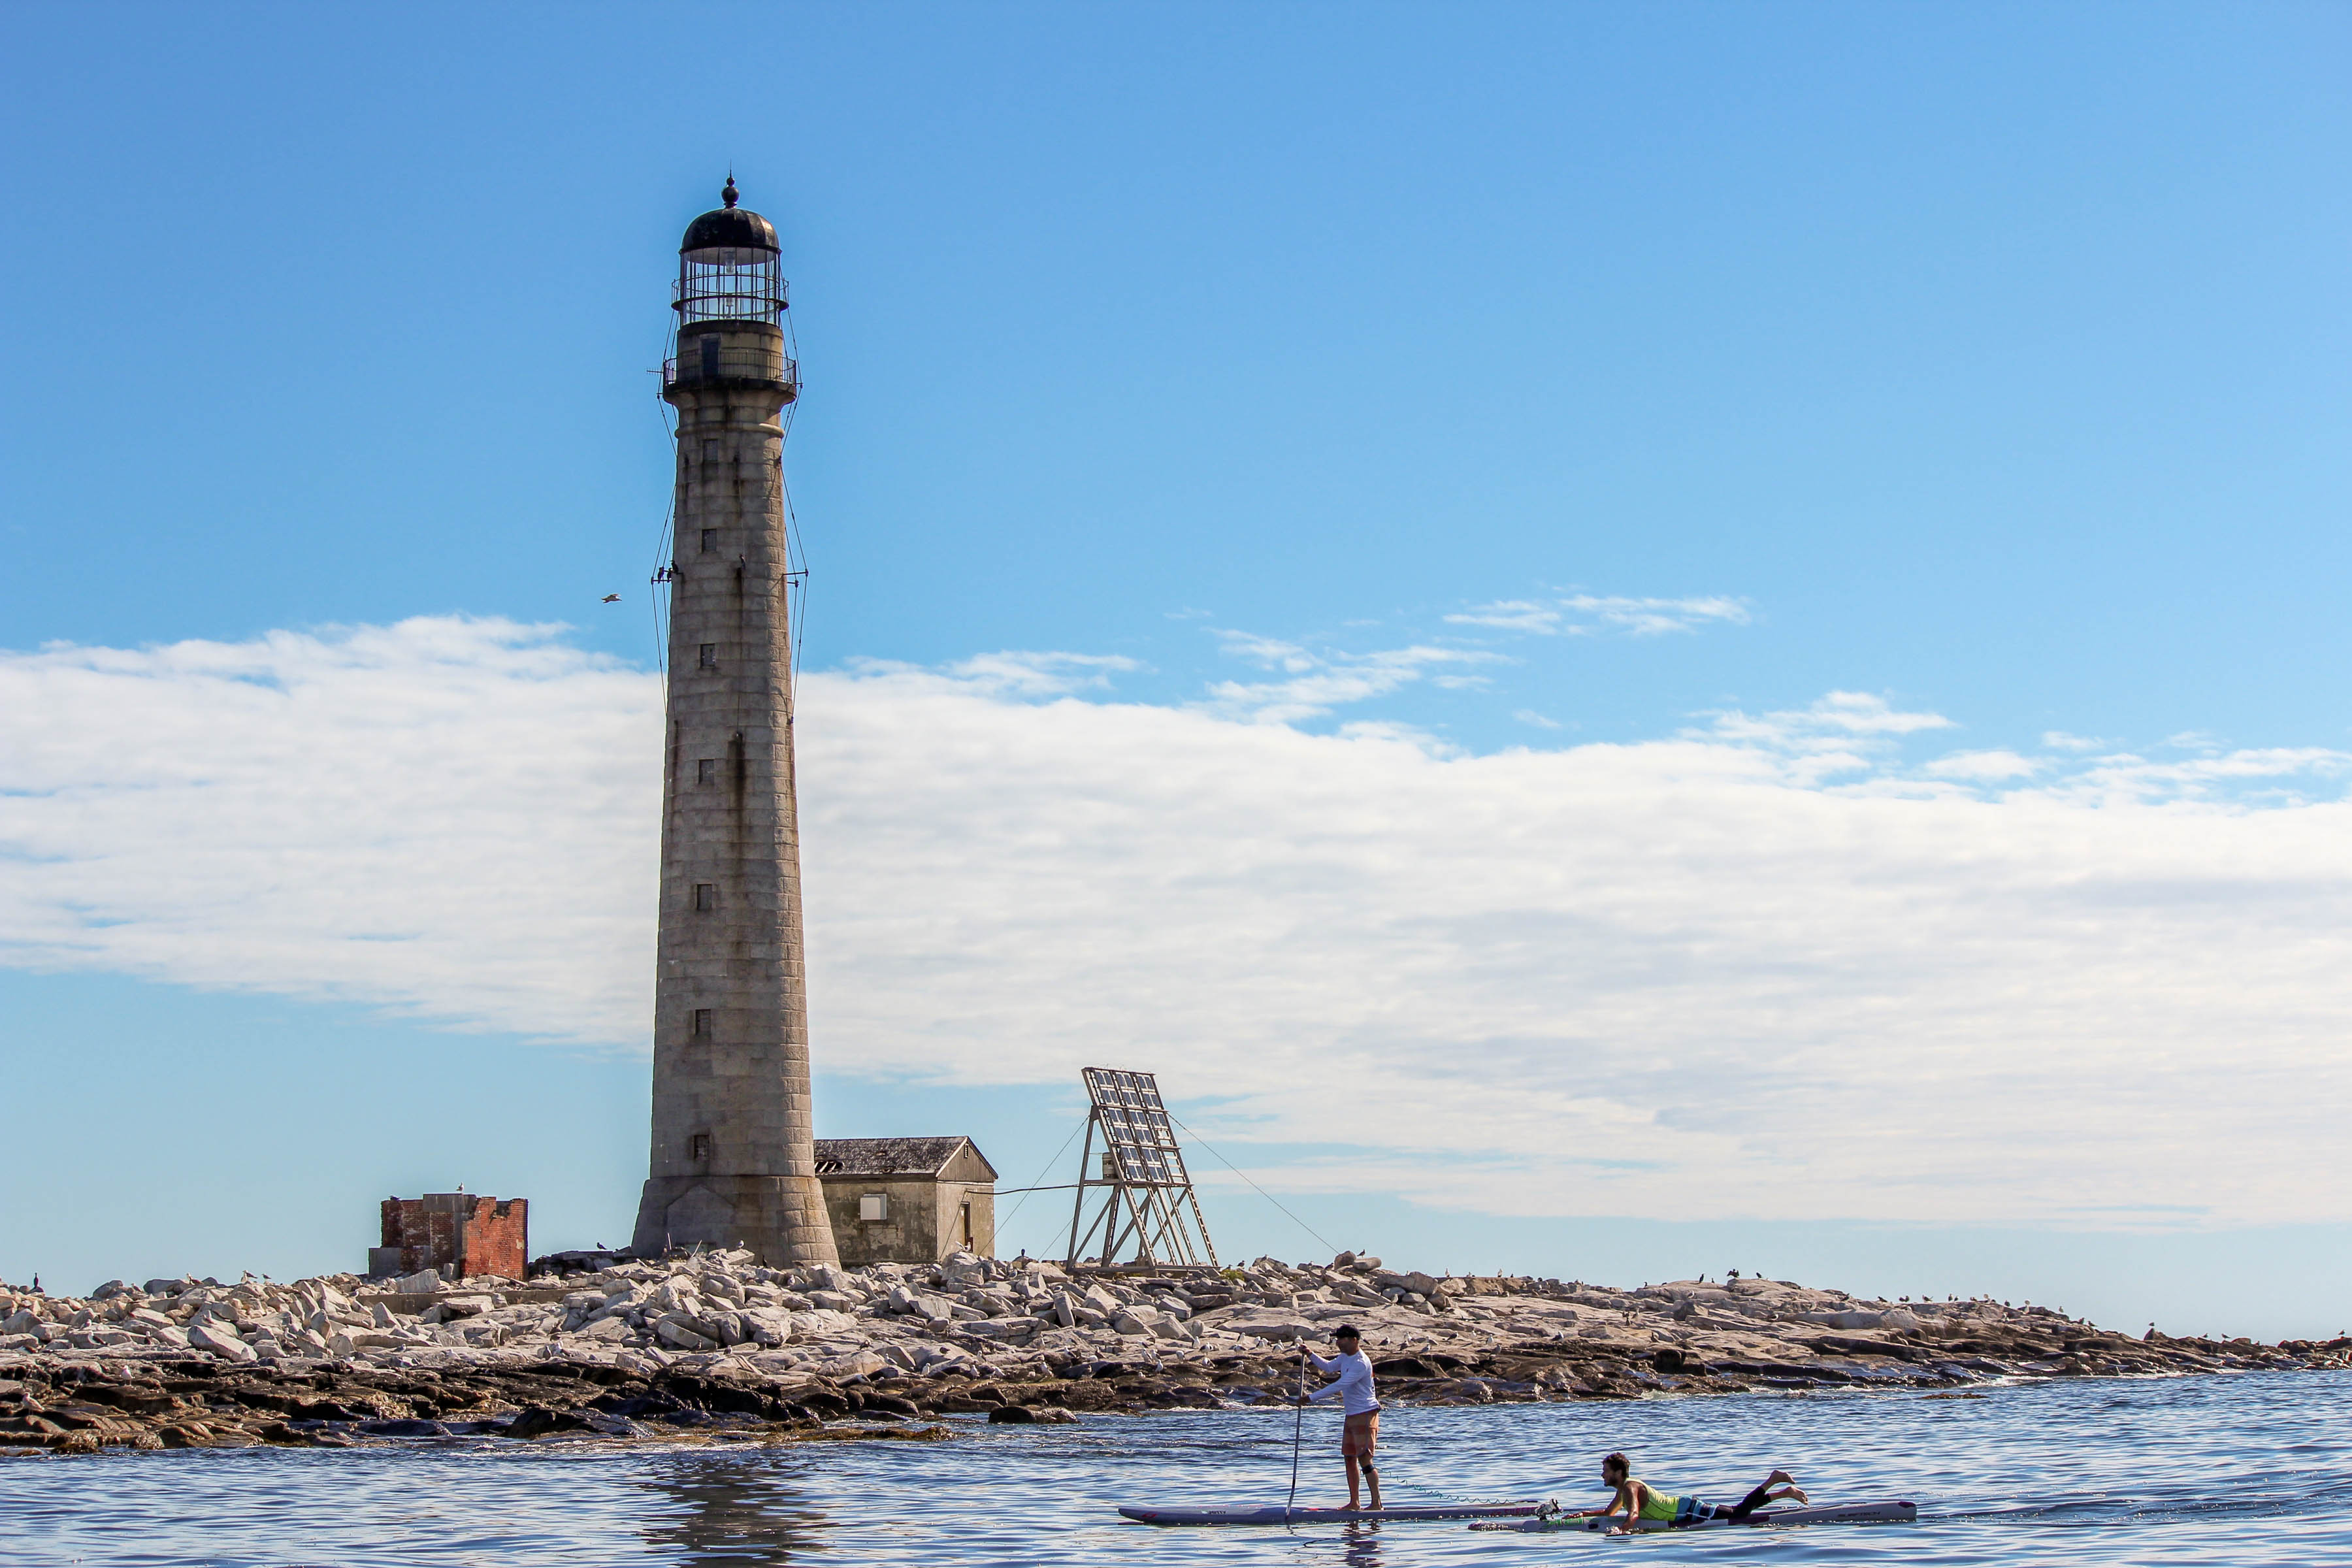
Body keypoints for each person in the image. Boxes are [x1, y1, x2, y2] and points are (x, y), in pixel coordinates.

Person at [1576, 1451, 1806, 1532]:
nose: (1602, 1475)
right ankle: (1785, 1493)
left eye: (1605, 1471)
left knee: (1739, 1514)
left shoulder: (1629, 1488)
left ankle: (1772, 1481)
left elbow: (1633, 1515)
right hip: (1687, 1508)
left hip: (1689, 1511)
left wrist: (1622, 1531)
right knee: (1739, 1511)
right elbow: (1609, 1513)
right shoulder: (1623, 1490)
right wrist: (1582, 1515)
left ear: (1618, 1472)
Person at [1299, 1324, 1382, 1511]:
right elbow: (1328, 1367)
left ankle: (1377, 1504)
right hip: (1351, 1414)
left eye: (1342, 1339)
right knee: (1349, 1457)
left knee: (1365, 1459)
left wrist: (1310, 1398)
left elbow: (1339, 1385)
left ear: (1354, 1340)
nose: (1338, 1342)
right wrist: (1310, 1354)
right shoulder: (1345, 1357)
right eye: (1337, 1339)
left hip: (1365, 1413)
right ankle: (1355, 1503)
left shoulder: (1361, 1363)